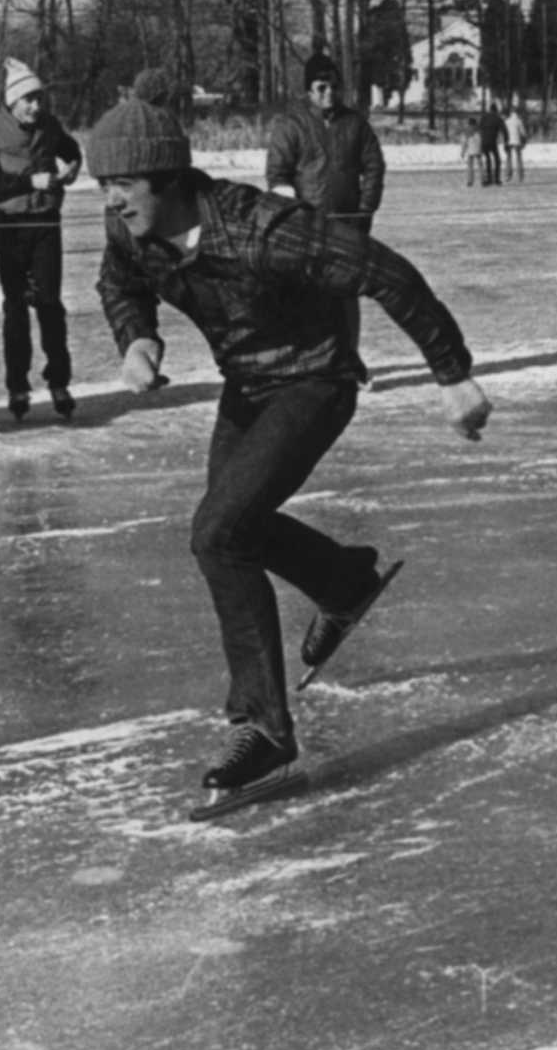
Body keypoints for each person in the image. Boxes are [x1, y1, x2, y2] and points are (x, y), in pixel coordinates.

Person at [92, 70, 493, 811]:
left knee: (218, 528)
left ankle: (265, 730)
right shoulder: (131, 230)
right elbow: (119, 283)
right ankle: (343, 583)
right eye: (103, 185)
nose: (111, 200)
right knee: (228, 534)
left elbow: (385, 271)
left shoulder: (261, 227)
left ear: (169, 176)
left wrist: (453, 374)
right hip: (246, 384)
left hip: (316, 379)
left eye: (123, 183)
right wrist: (138, 338)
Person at [0, 58, 83, 422]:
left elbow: (71, 150)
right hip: (9, 227)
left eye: (39, 99)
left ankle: (59, 381)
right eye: (28, 100)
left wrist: (70, 170)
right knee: (16, 308)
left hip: (45, 223)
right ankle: (17, 385)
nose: (36, 106)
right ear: (12, 101)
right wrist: (27, 182)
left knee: (50, 303)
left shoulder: (49, 126)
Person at [265, 52, 386, 238]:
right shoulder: (290, 126)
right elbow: (277, 175)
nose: (329, 92)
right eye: (322, 88)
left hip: (350, 223)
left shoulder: (356, 123)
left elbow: (374, 166)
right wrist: (293, 215)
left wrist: (365, 208)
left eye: (334, 87)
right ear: (309, 91)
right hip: (307, 225)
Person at [478, 101, 505, 187]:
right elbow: (504, 130)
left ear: (489, 109)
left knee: (487, 159)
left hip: (484, 141)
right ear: (496, 110)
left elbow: (479, 128)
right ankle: (496, 179)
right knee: (497, 160)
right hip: (492, 142)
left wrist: (480, 138)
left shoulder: (484, 117)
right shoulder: (498, 118)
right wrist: (506, 140)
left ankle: (488, 179)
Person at [502, 101, 528, 183]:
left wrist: (504, 142)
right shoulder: (519, 121)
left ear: (510, 112)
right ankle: (520, 176)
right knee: (519, 158)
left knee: (508, 158)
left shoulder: (507, 121)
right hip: (517, 141)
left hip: (508, 141)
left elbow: (504, 132)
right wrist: (525, 141)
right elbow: (523, 133)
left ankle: (508, 176)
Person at [462, 119, 485, 188]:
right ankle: (482, 180)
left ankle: (470, 181)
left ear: (469, 123)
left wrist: (463, 151)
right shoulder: (479, 130)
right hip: (478, 149)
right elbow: (482, 140)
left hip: (470, 150)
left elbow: (465, 142)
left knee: (470, 166)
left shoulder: (467, 131)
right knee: (480, 166)